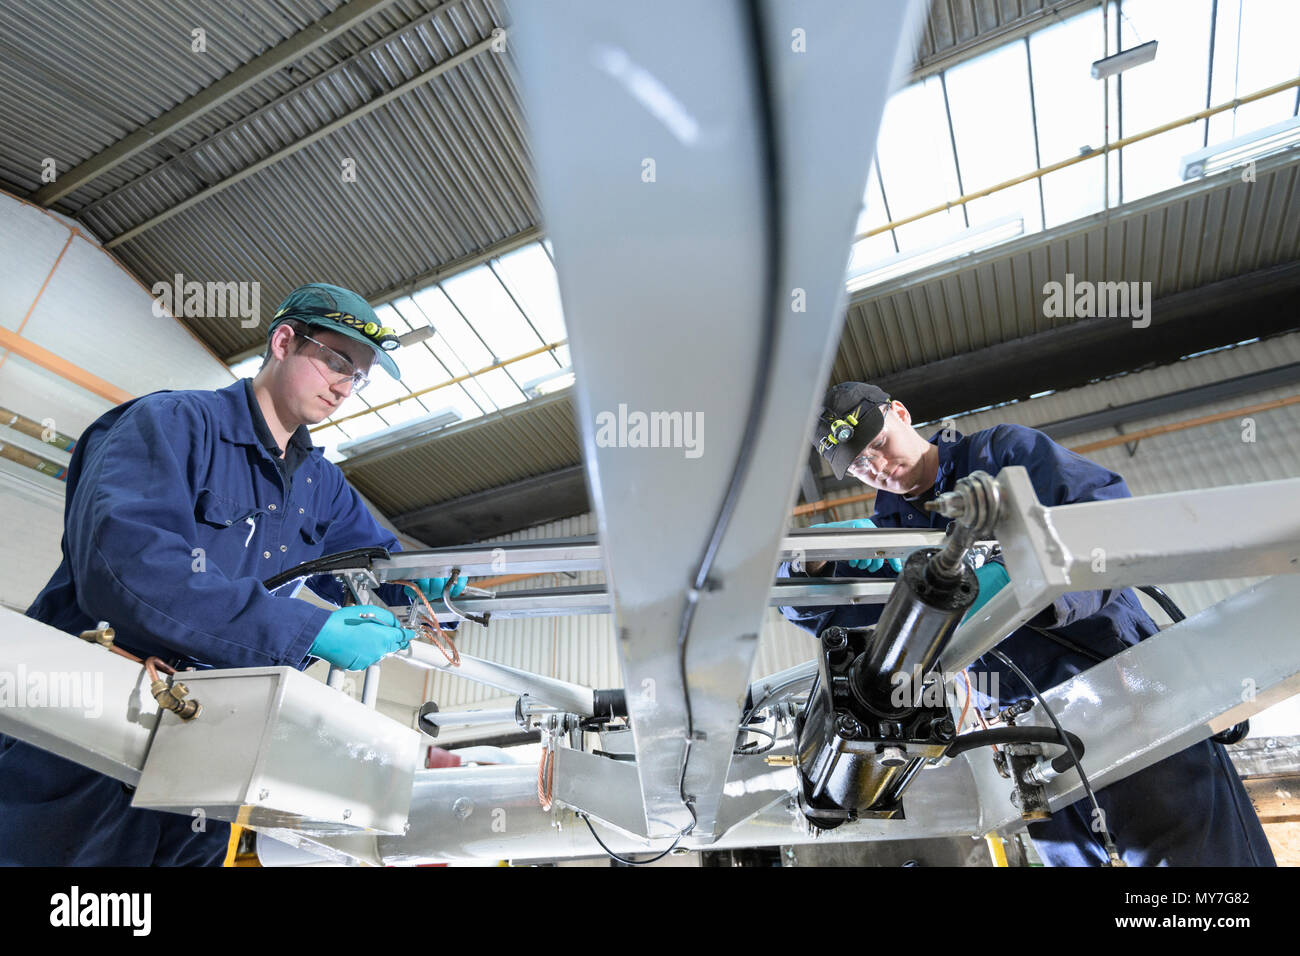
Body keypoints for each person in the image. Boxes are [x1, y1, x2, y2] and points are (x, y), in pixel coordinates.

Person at [0, 283, 466, 866]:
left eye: (360, 374)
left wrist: (426, 583)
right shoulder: (169, 425)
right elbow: (127, 571)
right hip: (90, 721)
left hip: (212, 743)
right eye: (336, 361)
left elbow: (377, 565)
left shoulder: (320, 487)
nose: (346, 385)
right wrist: (305, 632)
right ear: (282, 341)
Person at [778, 381, 1274, 867]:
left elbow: (1102, 523)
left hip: (1120, 686)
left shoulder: (1002, 454)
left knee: (1189, 855)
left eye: (879, 444)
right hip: (1024, 739)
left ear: (901, 413)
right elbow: (824, 614)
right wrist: (807, 564)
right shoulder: (882, 548)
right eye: (861, 466)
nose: (880, 467)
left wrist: (1018, 580)